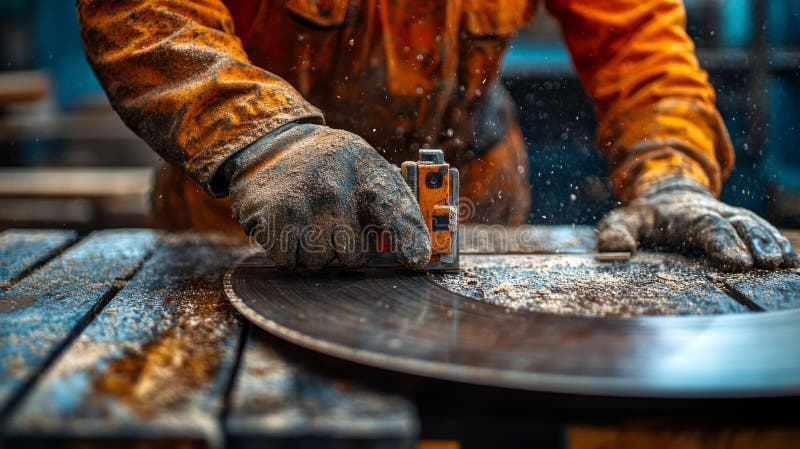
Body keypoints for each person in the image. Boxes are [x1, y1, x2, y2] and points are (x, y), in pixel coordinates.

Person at [77, 0, 798, 271]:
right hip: (251, 213)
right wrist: (264, 140)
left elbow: (639, 44)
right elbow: (146, 10)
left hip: (473, 204)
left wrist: (669, 172)